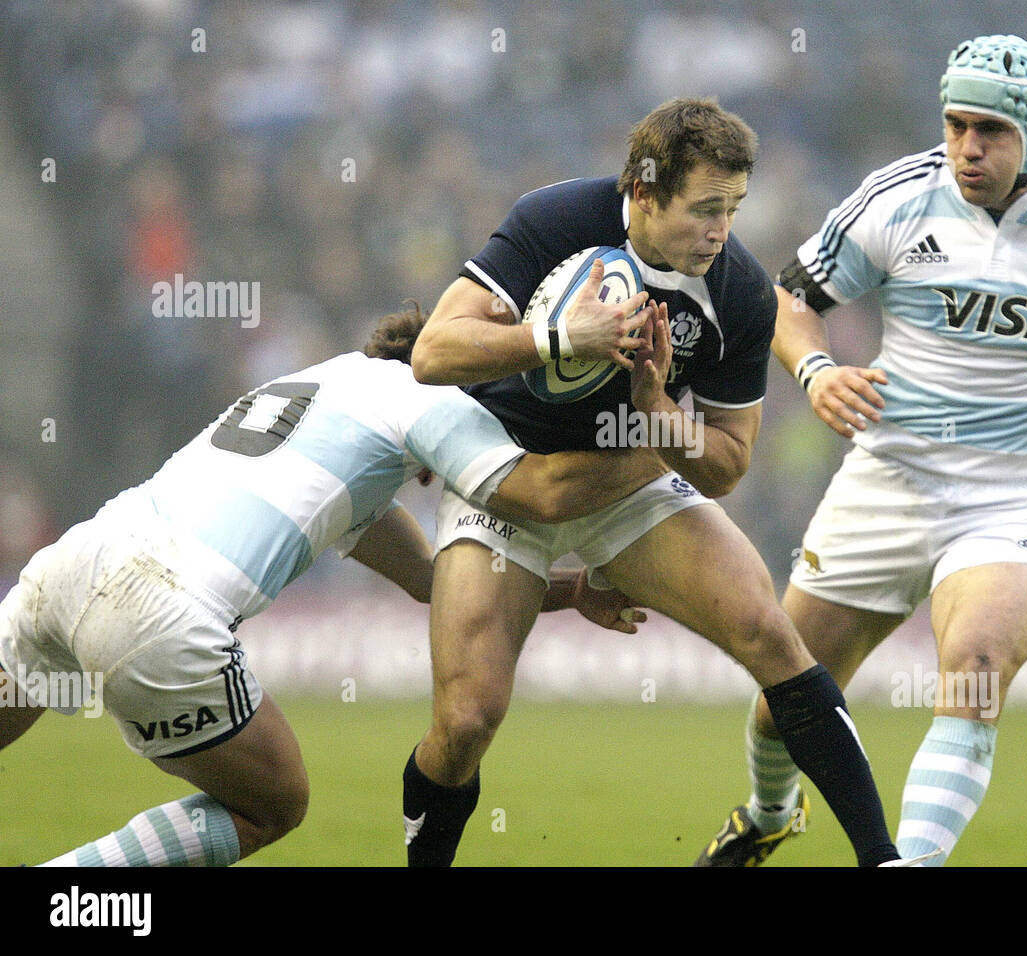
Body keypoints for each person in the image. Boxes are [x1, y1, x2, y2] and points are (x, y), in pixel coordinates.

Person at [695, 34, 1027, 866]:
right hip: (890, 479)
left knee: (972, 672)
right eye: (954, 124)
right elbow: (792, 299)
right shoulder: (900, 197)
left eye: (990, 131)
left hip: (1018, 496)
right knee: (784, 696)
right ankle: (770, 813)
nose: (967, 148)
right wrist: (818, 368)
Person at [405, 97, 912, 867]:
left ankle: (884, 860)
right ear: (643, 193)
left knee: (771, 635)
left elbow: (730, 461)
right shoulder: (559, 220)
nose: (721, 231)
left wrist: (655, 412)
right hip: (507, 483)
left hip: (627, 487)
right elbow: (434, 353)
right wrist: (557, 338)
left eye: (734, 209)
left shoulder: (738, 290)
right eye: (705, 208)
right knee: (467, 721)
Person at [0, 304, 663, 867]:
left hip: (73, 562)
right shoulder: (427, 395)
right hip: (159, 611)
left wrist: (571, 592)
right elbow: (540, 491)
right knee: (274, 805)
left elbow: (434, 580)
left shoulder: (324, 387)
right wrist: (657, 434)